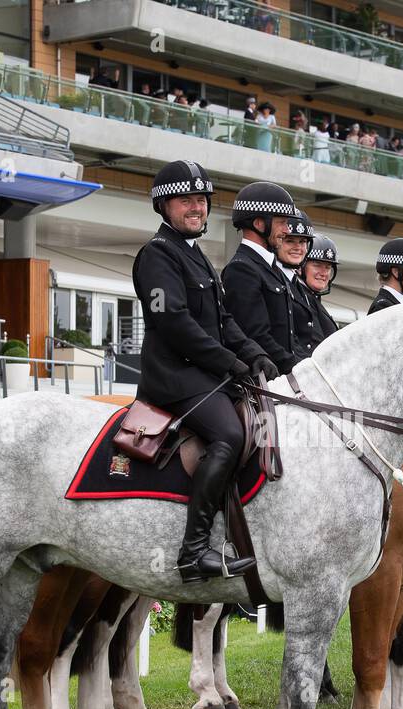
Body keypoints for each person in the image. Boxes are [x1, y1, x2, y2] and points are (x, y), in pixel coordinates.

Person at [132, 160, 276, 582]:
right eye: (185, 200)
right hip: (174, 378)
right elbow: (175, 324)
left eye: (201, 200)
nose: (196, 208)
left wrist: (253, 356)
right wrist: (229, 363)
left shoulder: (197, 257)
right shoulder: (156, 256)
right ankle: (194, 550)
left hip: (207, 377)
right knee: (230, 435)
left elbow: (225, 321)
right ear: (164, 206)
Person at [222, 181, 301, 376]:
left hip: (283, 376)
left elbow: (289, 337)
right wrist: (299, 369)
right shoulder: (242, 268)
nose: (287, 230)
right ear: (259, 224)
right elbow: (255, 335)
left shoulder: (270, 268)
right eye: (281, 222)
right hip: (265, 378)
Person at [294, 233, 341, 356]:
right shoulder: (297, 297)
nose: (323, 273)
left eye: (328, 267)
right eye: (317, 265)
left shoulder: (311, 298)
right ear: (300, 267)